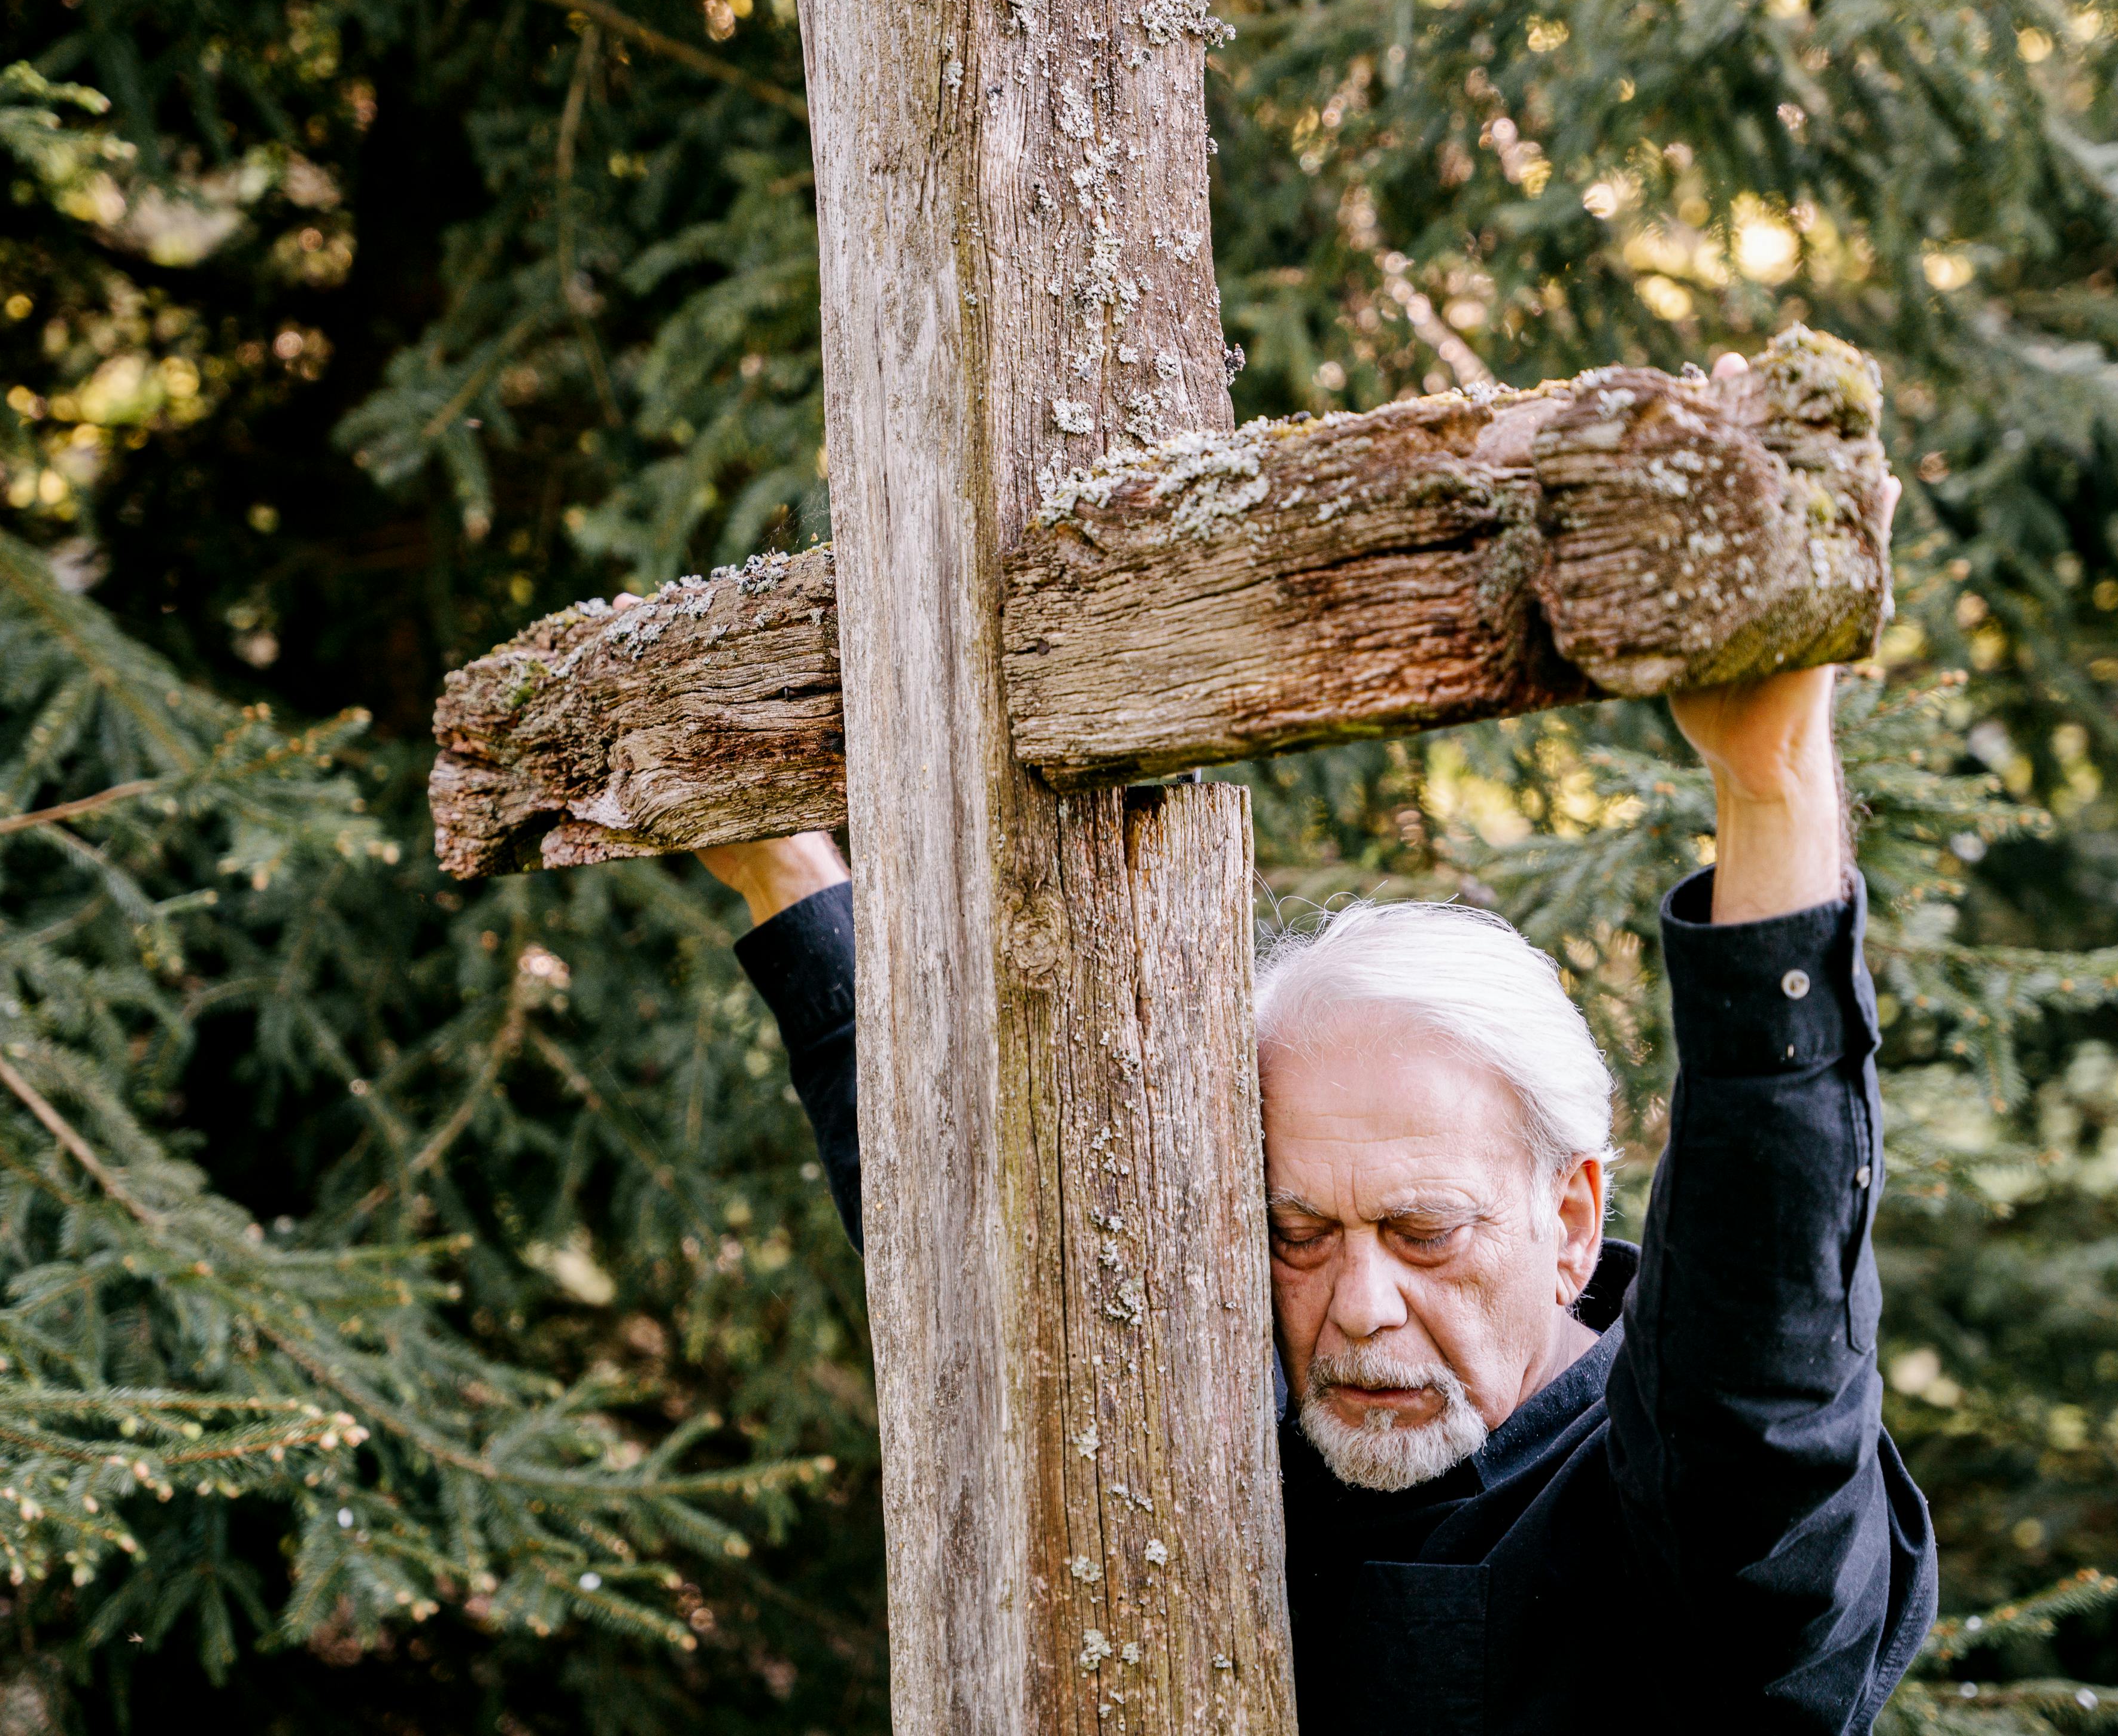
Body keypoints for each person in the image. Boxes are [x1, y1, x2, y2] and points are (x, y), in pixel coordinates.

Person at [696, 664, 1935, 1735]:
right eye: (1297, 1234)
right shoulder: (1213, 1417)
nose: (1359, 1309)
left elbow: (1761, 1352)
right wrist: (786, 875)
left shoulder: (1698, 1514)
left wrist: (1768, 785)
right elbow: (981, 1259)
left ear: (1569, 1222)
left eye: (1423, 1232)